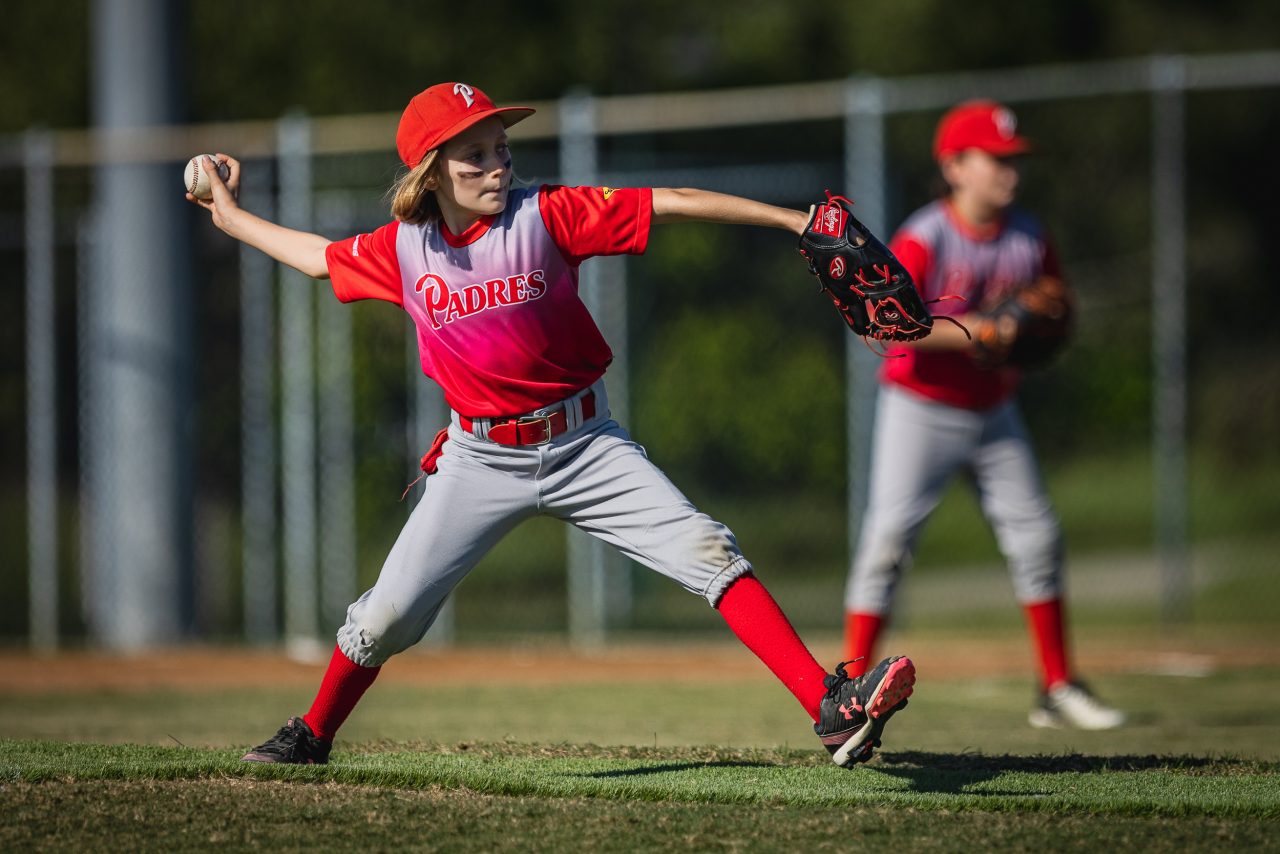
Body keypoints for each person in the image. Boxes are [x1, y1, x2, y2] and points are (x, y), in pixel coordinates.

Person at [189, 82, 916, 768]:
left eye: (500, 146)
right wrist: (227, 213)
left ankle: (831, 707)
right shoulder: (404, 249)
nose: (497, 163)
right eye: (474, 153)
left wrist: (794, 221)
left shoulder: (547, 214)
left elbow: (673, 202)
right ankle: (312, 734)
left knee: (706, 548)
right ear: (431, 171)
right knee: (385, 619)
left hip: (585, 443)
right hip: (480, 458)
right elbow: (317, 260)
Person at [840, 100, 1125, 730]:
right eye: (995, 160)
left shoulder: (1029, 235)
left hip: (994, 409)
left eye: (1013, 161)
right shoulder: (926, 236)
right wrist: (983, 330)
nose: (1010, 173)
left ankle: (1056, 686)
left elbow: (1056, 307)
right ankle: (851, 696)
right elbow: (882, 327)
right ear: (954, 166)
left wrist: (1045, 326)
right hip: (920, 408)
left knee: (1038, 537)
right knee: (886, 545)